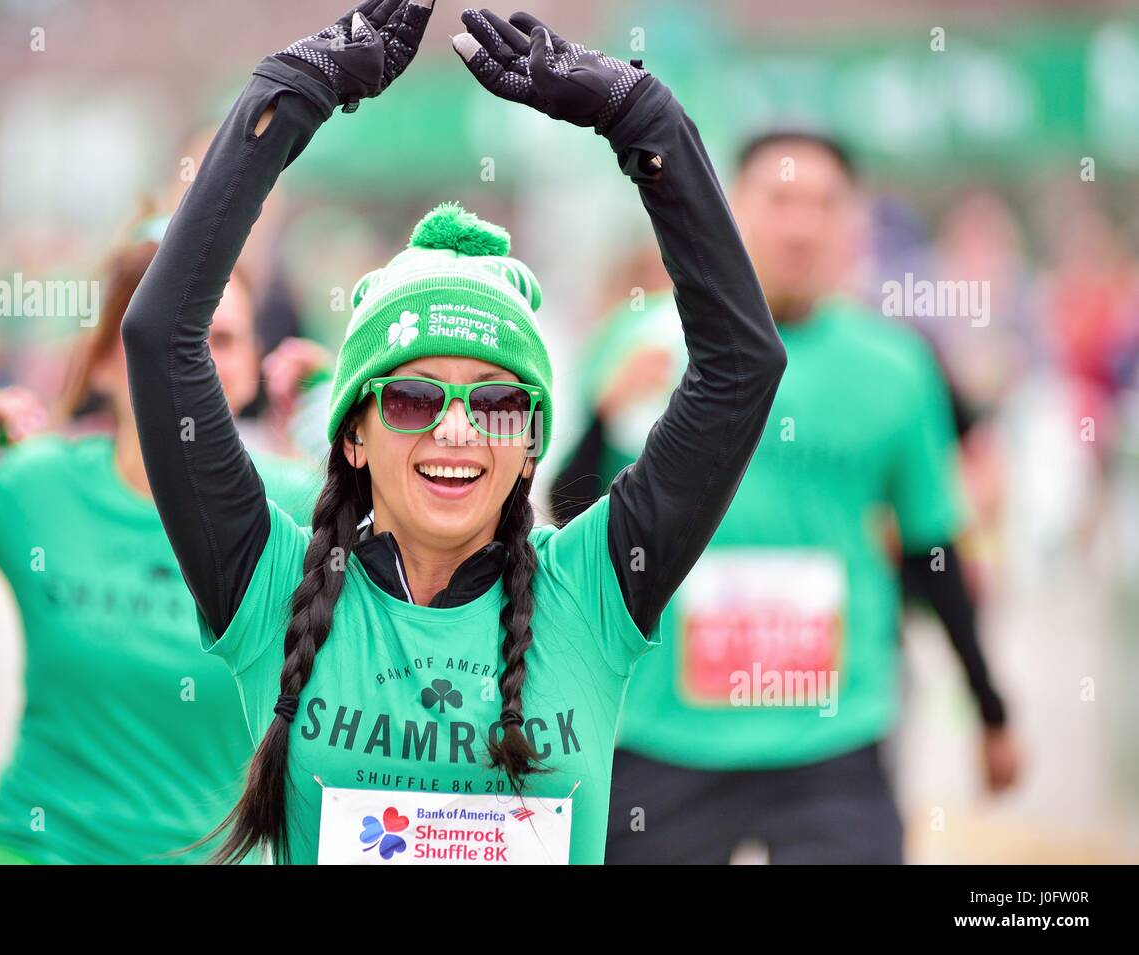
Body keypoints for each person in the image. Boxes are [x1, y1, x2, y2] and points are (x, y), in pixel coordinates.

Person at [120, 1, 785, 865]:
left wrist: (639, 116)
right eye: (411, 400)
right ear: (352, 433)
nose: (458, 429)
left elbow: (742, 365)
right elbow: (161, 336)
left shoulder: (594, 590)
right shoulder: (267, 584)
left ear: (532, 441)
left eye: (499, 403)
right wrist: (292, 89)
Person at [555, 130, 1018, 865]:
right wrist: (602, 421)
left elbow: (933, 549)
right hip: (663, 731)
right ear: (733, 209)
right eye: (779, 200)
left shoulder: (896, 369)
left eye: (825, 205)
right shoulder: (641, 338)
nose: (801, 225)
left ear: (853, 223)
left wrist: (991, 709)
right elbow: (567, 521)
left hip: (833, 739)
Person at [0, 239, 319, 864]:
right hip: (34, 847)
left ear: (254, 365)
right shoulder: (36, 485)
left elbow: (444, 598)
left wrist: (354, 435)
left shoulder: (297, 506)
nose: (193, 358)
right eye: (168, 333)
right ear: (100, 363)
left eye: (221, 338)